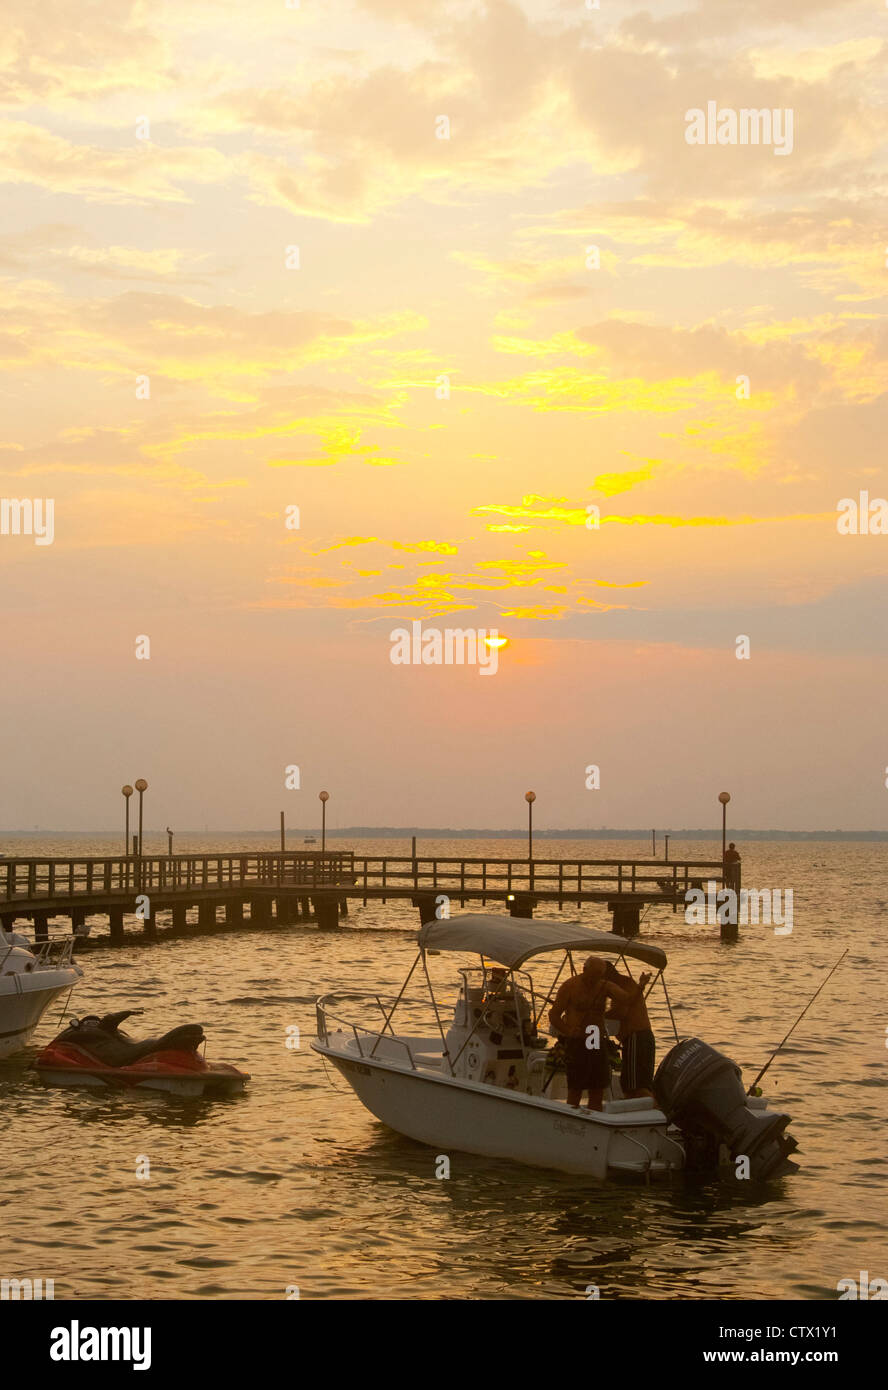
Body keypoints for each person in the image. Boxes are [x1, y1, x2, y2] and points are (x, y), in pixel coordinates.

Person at [548, 957, 634, 1110]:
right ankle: (572, 1117)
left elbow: (627, 999)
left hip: (595, 1038)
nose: (595, 979)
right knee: (576, 1087)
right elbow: (553, 1015)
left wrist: (640, 986)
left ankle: (595, 1115)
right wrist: (568, 1031)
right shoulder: (570, 986)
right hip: (577, 1040)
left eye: (599, 975)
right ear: (584, 970)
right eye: (593, 974)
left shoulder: (604, 986)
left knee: (597, 1087)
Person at [606, 963, 655, 1099]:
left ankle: (658, 1112)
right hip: (638, 1038)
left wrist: (599, 1015)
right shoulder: (624, 984)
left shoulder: (623, 985)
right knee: (630, 1085)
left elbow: (622, 1011)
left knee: (637, 1087)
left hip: (637, 1037)